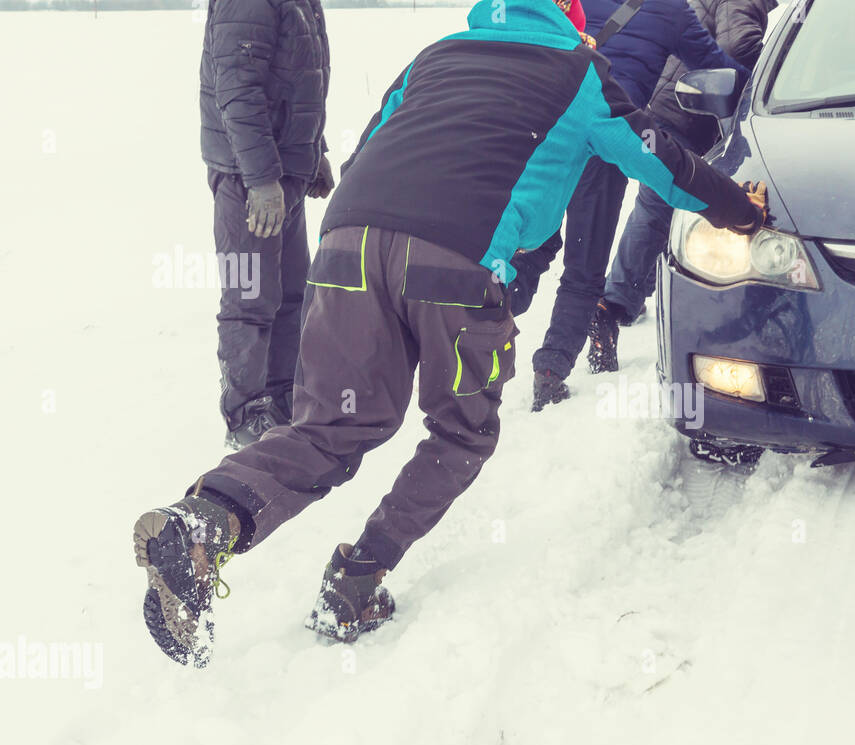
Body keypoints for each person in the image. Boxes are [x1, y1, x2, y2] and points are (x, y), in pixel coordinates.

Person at [134, 0, 768, 668]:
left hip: (347, 248)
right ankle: (356, 580)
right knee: (463, 432)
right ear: (572, 21)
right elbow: (661, 159)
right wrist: (740, 211)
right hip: (454, 265)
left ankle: (203, 523)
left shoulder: (435, 55)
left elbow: (369, 146)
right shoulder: (581, 73)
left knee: (327, 428)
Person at [511, 0, 751, 411]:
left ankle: (485, 318)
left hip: (551, 129)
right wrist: (765, 82)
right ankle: (550, 371)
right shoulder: (673, 12)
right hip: (607, 134)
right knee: (584, 265)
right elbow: (718, 67)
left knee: (534, 243)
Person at [590, 0, 778, 374]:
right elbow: (736, 44)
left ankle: (628, 294)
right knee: (658, 207)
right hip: (687, 113)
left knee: (661, 207)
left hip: (667, 104)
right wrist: (766, 82)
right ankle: (611, 306)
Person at [200, 0, 335, 448]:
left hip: (284, 172)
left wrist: (314, 151)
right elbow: (238, 90)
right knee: (250, 297)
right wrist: (260, 180)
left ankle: (281, 399)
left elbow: (298, 80)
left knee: (292, 295)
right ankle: (245, 414)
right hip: (249, 177)